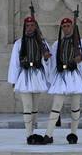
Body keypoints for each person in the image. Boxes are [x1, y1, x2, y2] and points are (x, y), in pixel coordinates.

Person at [45, 15, 82, 145]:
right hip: (62, 76)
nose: (66, 28)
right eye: (64, 26)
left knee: (75, 106)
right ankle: (48, 135)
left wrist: (80, 62)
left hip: (75, 76)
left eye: (68, 26)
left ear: (72, 27)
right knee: (56, 105)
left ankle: (73, 134)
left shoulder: (80, 43)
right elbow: (53, 62)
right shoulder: (57, 44)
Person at [7, 14, 51, 144]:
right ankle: (28, 135)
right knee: (27, 106)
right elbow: (14, 63)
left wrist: (47, 58)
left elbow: (47, 62)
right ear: (24, 27)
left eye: (32, 25)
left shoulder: (42, 43)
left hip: (37, 76)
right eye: (28, 26)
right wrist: (13, 80)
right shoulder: (19, 43)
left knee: (35, 107)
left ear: (35, 27)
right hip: (24, 76)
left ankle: (32, 129)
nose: (30, 28)